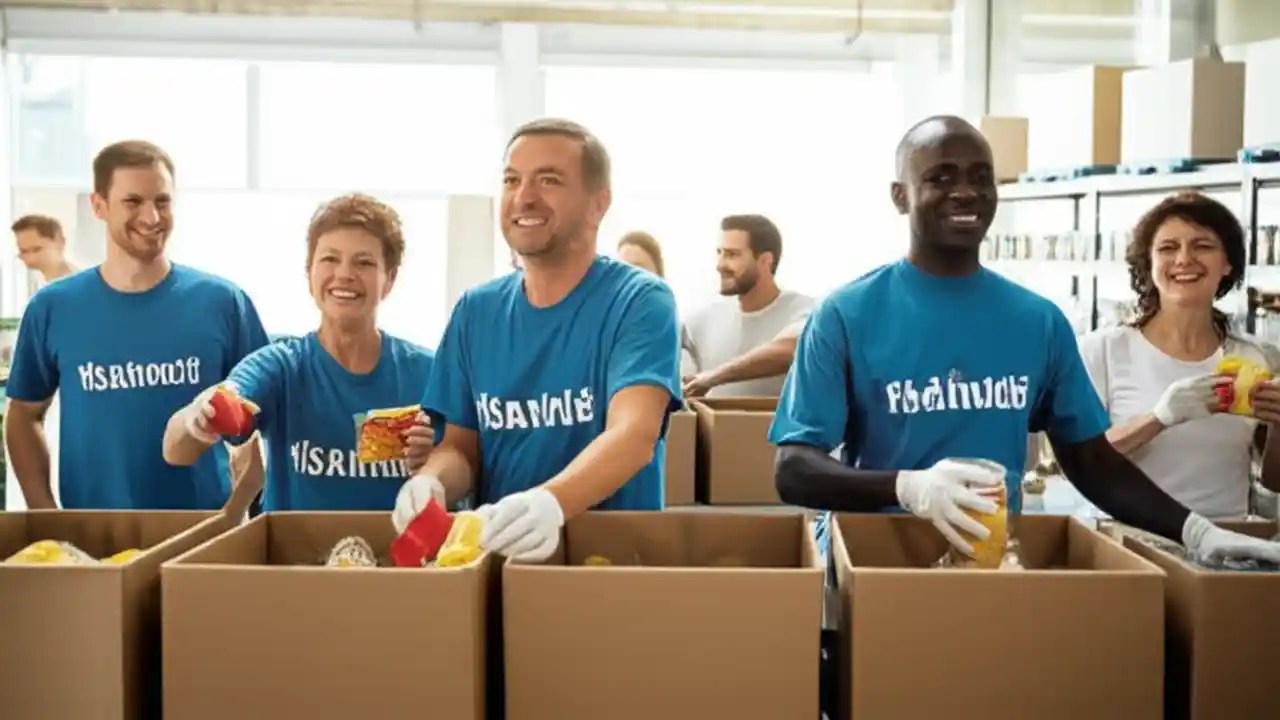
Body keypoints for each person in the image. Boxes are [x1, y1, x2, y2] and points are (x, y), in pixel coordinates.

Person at [769, 115, 1280, 566]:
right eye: (940, 177)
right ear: (900, 195)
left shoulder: (1037, 321)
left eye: (980, 178)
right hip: (876, 560)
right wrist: (908, 487)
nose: (965, 192)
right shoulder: (847, 314)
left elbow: (1091, 463)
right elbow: (794, 469)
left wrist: (1197, 532)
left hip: (991, 564)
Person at [392, 117, 682, 561]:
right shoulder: (476, 312)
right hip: (497, 565)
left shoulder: (639, 301)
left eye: (549, 180)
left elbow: (634, 434)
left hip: (611, 566)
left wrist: (552, 503)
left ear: (597, 204)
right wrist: (431, 482)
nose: (524, 196)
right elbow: (460, 449)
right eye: (512, 179)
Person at [4, 140, 269, 510]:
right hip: (94, 535)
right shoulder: (54, 307)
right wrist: (43, 512)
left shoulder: (223, 303)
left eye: (162, 201)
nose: (152, 217)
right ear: (99, 206)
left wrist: (244, 508)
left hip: (203, 532)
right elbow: (23, 415)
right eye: (133, 202)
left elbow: (265, 414)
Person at [162, 193, 436, 512]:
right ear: (309, 274)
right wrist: (197, 416)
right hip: (296, 560)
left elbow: (465, 468)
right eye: (330, 259)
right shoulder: (279, 367)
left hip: (397, 559)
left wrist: (435, 461)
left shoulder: (429, 373)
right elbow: (175, 450)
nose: (344, 274)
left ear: (388, 280)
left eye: (364, 262)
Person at [1079, 192, 1280, 519]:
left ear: (1228, 263)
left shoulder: (1259, 357)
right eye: (1168, 248)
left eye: (1203, 245)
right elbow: (1080, 463)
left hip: (1226, 545)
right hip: (1126, 544)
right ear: (1149, 263)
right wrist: (1159, 418)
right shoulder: (1102, 351)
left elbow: (1273, 481)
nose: (1184, 259)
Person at [682, 214, 814, 398]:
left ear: (765, 260)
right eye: (719, 253)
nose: (720, 265)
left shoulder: (803, 311)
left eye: (732, 255)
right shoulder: (702, 320)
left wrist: (712, 378)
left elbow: (791, 349)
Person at [616, 230, 697, 376]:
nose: (630, 276)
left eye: (639, 269)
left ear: (658, 274)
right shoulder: (605, 331)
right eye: (623, 268)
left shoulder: (675, 332)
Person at [12, 214, 77, 284]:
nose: (30, 258)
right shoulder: (35, 281)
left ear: (60, 242)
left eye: (36, 249)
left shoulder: (77, 283)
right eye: (23, 251)